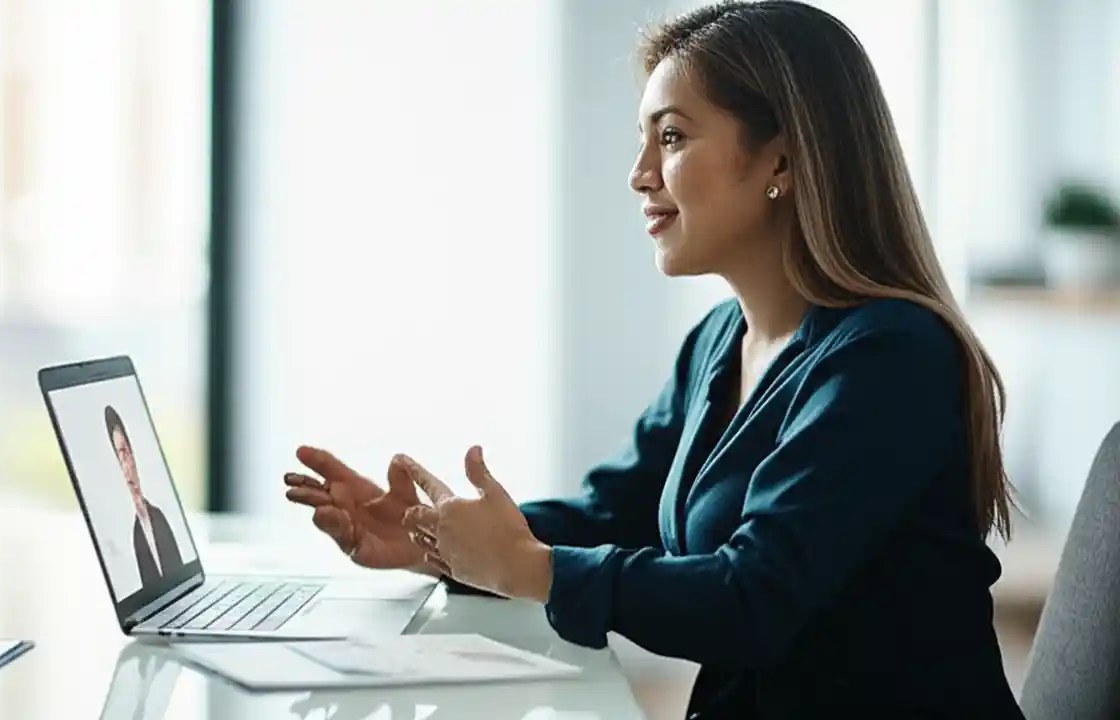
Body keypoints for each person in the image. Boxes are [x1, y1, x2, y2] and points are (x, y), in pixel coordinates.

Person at [282, 2, 1024, 716]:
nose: (639, 173)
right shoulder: (715, 345)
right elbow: (620, 512)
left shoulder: (889, 357)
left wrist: (528, 568)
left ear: (783, 159)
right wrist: (433, 537)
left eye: (670, 138)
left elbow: (753, 599)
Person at [105, 405, 183, 587]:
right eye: (118, 457)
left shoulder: (159, 517)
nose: (125, 467)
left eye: (125, 452)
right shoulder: (131, 534)